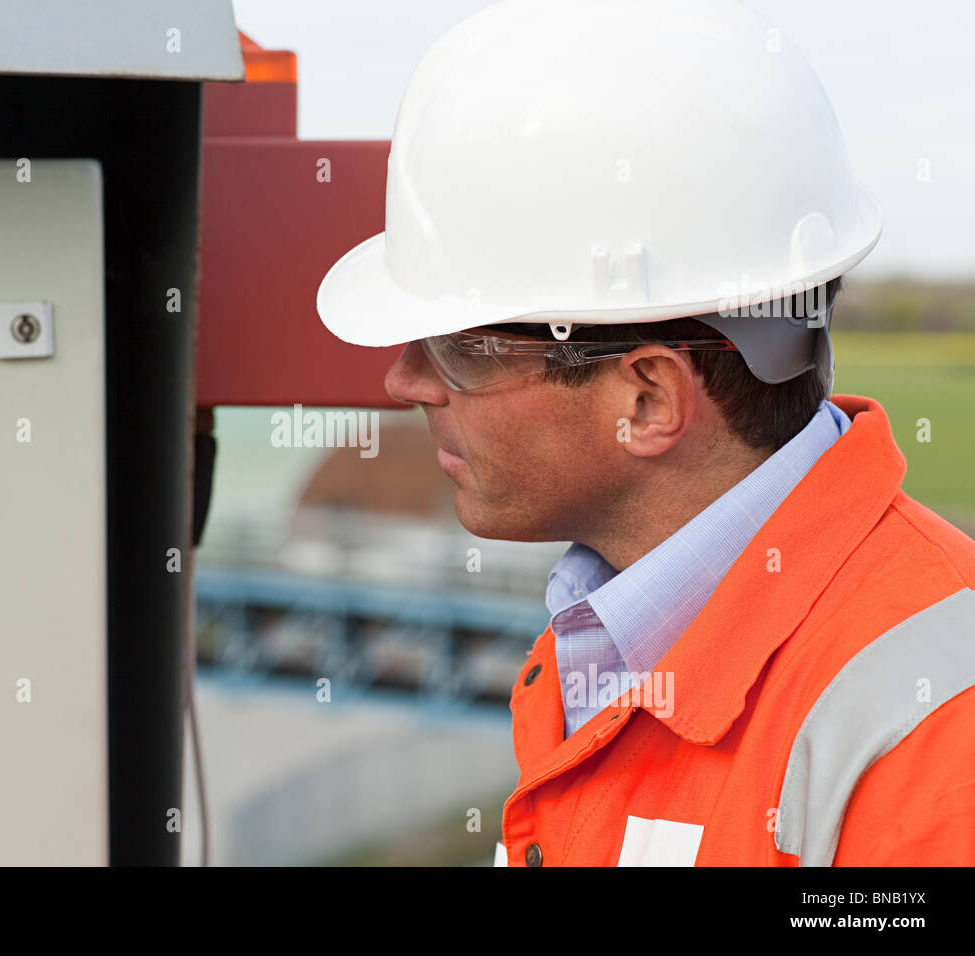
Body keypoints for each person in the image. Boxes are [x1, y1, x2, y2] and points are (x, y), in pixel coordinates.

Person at [315, 0, 975, 865]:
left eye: (462, 350)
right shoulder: (614, 628)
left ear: (649, 400)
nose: (404, 382)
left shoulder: (934, 734)